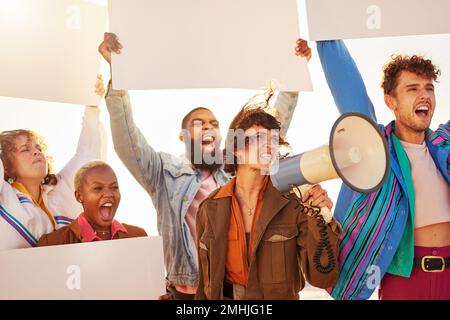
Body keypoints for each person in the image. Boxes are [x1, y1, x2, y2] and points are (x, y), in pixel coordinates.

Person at [98, 33, 300, 299]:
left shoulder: (235, 166)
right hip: (186, 292)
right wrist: (118, 72)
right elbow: (127, 141)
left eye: (214, 124)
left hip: (231, 292)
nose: (208, 126)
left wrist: (295, 75)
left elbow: (269, 133)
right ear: (182, 137)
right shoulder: (162, 172)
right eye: (198, 123)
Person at [295, 39, 450, 300]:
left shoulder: (444, 144)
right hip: (405, 281)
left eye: (429, 88)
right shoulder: (374, 148)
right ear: (391, 102)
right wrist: (326, 38)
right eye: (412, 89)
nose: (424, 95)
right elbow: (349, 87)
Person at [195, 97, 341, 300]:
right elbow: (205, 285)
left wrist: (320, 219)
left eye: (273, 140)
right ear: (235, 149)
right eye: (258, 138)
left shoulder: (294, 204)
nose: (268, 146)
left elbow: (323, 278)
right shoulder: (209, 208)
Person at [0, 76, 107, 250]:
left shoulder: (60, 190)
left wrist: (92, 103)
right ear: (7, 165)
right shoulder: (5, 198)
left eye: (38, 148)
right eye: (25, 149)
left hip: (70, 275)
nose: (36, 151)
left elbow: (88, 153)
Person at [38, 161, 147, 246]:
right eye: (98, 188)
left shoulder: (139, 236)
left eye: (114, 187)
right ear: (79, 196)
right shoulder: (53, 243)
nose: (109, 194)